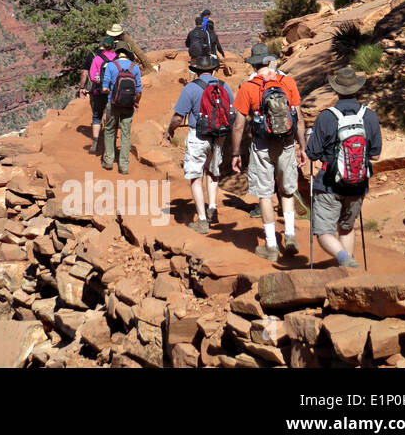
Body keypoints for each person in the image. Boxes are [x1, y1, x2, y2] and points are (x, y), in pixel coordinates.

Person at [231, 43, 307, 260]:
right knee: (287, 190)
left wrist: (235, 153)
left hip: (262, 146)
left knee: (265, 194)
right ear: (270, 62)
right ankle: (290, 236)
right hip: (286, 143)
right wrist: (302, 147)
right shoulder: (287, 82)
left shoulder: (248, 87)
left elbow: (238, 125)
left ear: (254, 65)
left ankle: (272, 246)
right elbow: (299, 119)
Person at [306, 67, 382, 269]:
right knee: (346, 228)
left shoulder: (326, 117)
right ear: (357, 89)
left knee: (323, 232)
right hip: (357, 184)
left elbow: (312, 154)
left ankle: (344, 260)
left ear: (336, 90)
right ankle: (348, 271)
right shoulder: (370, 116)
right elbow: (375, 154)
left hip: (329, 184)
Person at [162, 54, 234, 233]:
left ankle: (202, 220)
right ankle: (213, 208)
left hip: (198, 136)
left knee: (196, 175)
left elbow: (179, 117)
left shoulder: (190, 88)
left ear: (197, 71)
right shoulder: (224, 86)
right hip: (219, 136)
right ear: (214, 69)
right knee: (213, 172)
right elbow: (233, 110)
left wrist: (170, 130)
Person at [100, 45, 142, 175]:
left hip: (113, 104)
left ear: (117, 53)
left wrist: (111, 93)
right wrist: (135, 102)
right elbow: (139, 90)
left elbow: (104, 88)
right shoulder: (134, 67)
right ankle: (124, 166)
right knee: (125, 134)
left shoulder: (111, 66)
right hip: (129, 106)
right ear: (127, 54)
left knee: (109, 130)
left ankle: (108, 160)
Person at [79, 36, 119, 154]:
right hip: (112, 91)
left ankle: (95, 143)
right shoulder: (116, 58)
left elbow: (92, 76)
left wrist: (83, 88)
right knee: (109, 114)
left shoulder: (96, 58)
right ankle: (108, 143)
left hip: (97, 91)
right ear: (112, 47)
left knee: (96, 116)